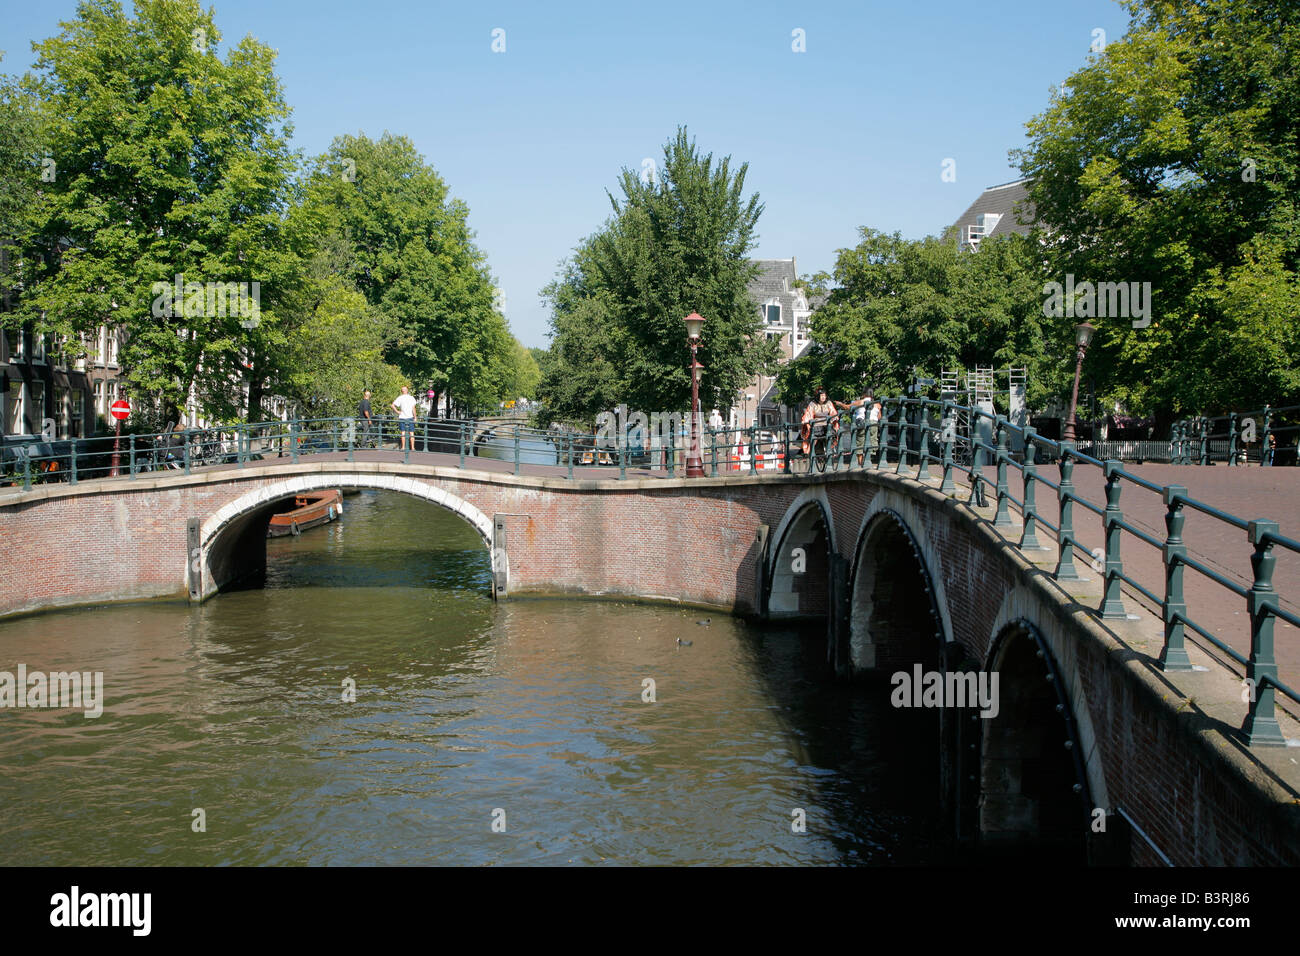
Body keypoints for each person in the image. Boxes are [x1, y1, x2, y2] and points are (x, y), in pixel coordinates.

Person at [800, 387, 839, 463]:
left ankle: (830, 450)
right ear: (818, 396)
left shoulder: (829, 403)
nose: (823, 397)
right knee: (815, 438)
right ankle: (817, 454)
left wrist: (834, 418)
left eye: (824, 395)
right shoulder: (812, 404)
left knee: (832, 435)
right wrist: (806, 421)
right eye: (821, 396)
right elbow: (808, 413)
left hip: (827, 423)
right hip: (816, 424)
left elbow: (833, 412)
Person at [391, 385, 417, 451]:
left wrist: (398, 412)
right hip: (410, 417)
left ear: (402, 391)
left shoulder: (400, 398)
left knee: (403, 432)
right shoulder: (411, 398)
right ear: (407, 390)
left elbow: (392, 405)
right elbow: (413, 408)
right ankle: (413, 448)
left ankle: (403, 447)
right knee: (411, 433)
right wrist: (415, 417)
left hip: (402, 417)